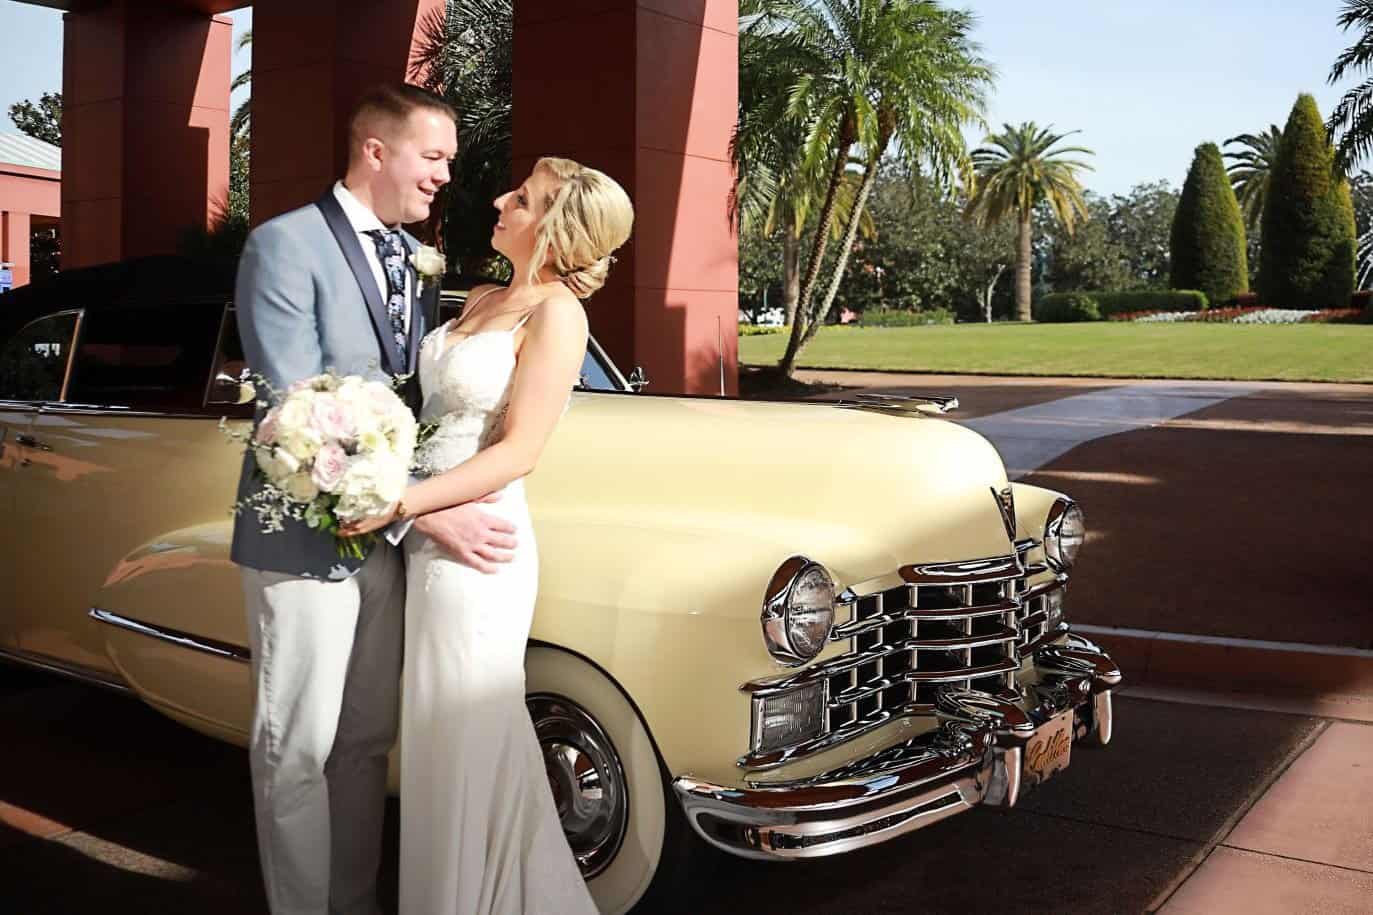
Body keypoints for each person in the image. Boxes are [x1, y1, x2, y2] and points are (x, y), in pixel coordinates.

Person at [231, 83, 519, 915]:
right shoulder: (282, 244)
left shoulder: (411, 257)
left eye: (449, 164)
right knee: (297, 746)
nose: (444, 178)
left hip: (388, 542)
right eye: (433, 158)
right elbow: (290, 409)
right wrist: (426, 506)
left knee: (363, 744)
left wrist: (413, 506)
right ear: (376, 151)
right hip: (302, 534)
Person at [340, 157, 634, 914]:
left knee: (463, 737)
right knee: (439, 742)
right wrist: (408, 502)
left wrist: (399, 499)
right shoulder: (482, 297)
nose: (501, 200)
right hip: (430, 534)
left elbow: (519, 450)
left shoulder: (558, 314)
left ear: (554, 227)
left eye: (523, 198)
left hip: (482, 548)